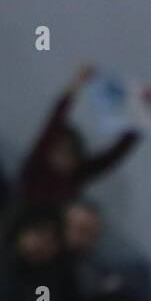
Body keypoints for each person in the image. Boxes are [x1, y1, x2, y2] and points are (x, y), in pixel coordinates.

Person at [20, 65, 140, 205]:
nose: (64, 158)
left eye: (70, 154)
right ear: (50, 151)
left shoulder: (77, 175)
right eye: (60, 151)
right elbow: (54, 120)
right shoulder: (36, 166)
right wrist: (76, 83)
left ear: (76, 160)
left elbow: (112, 157)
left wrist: (138, 124)